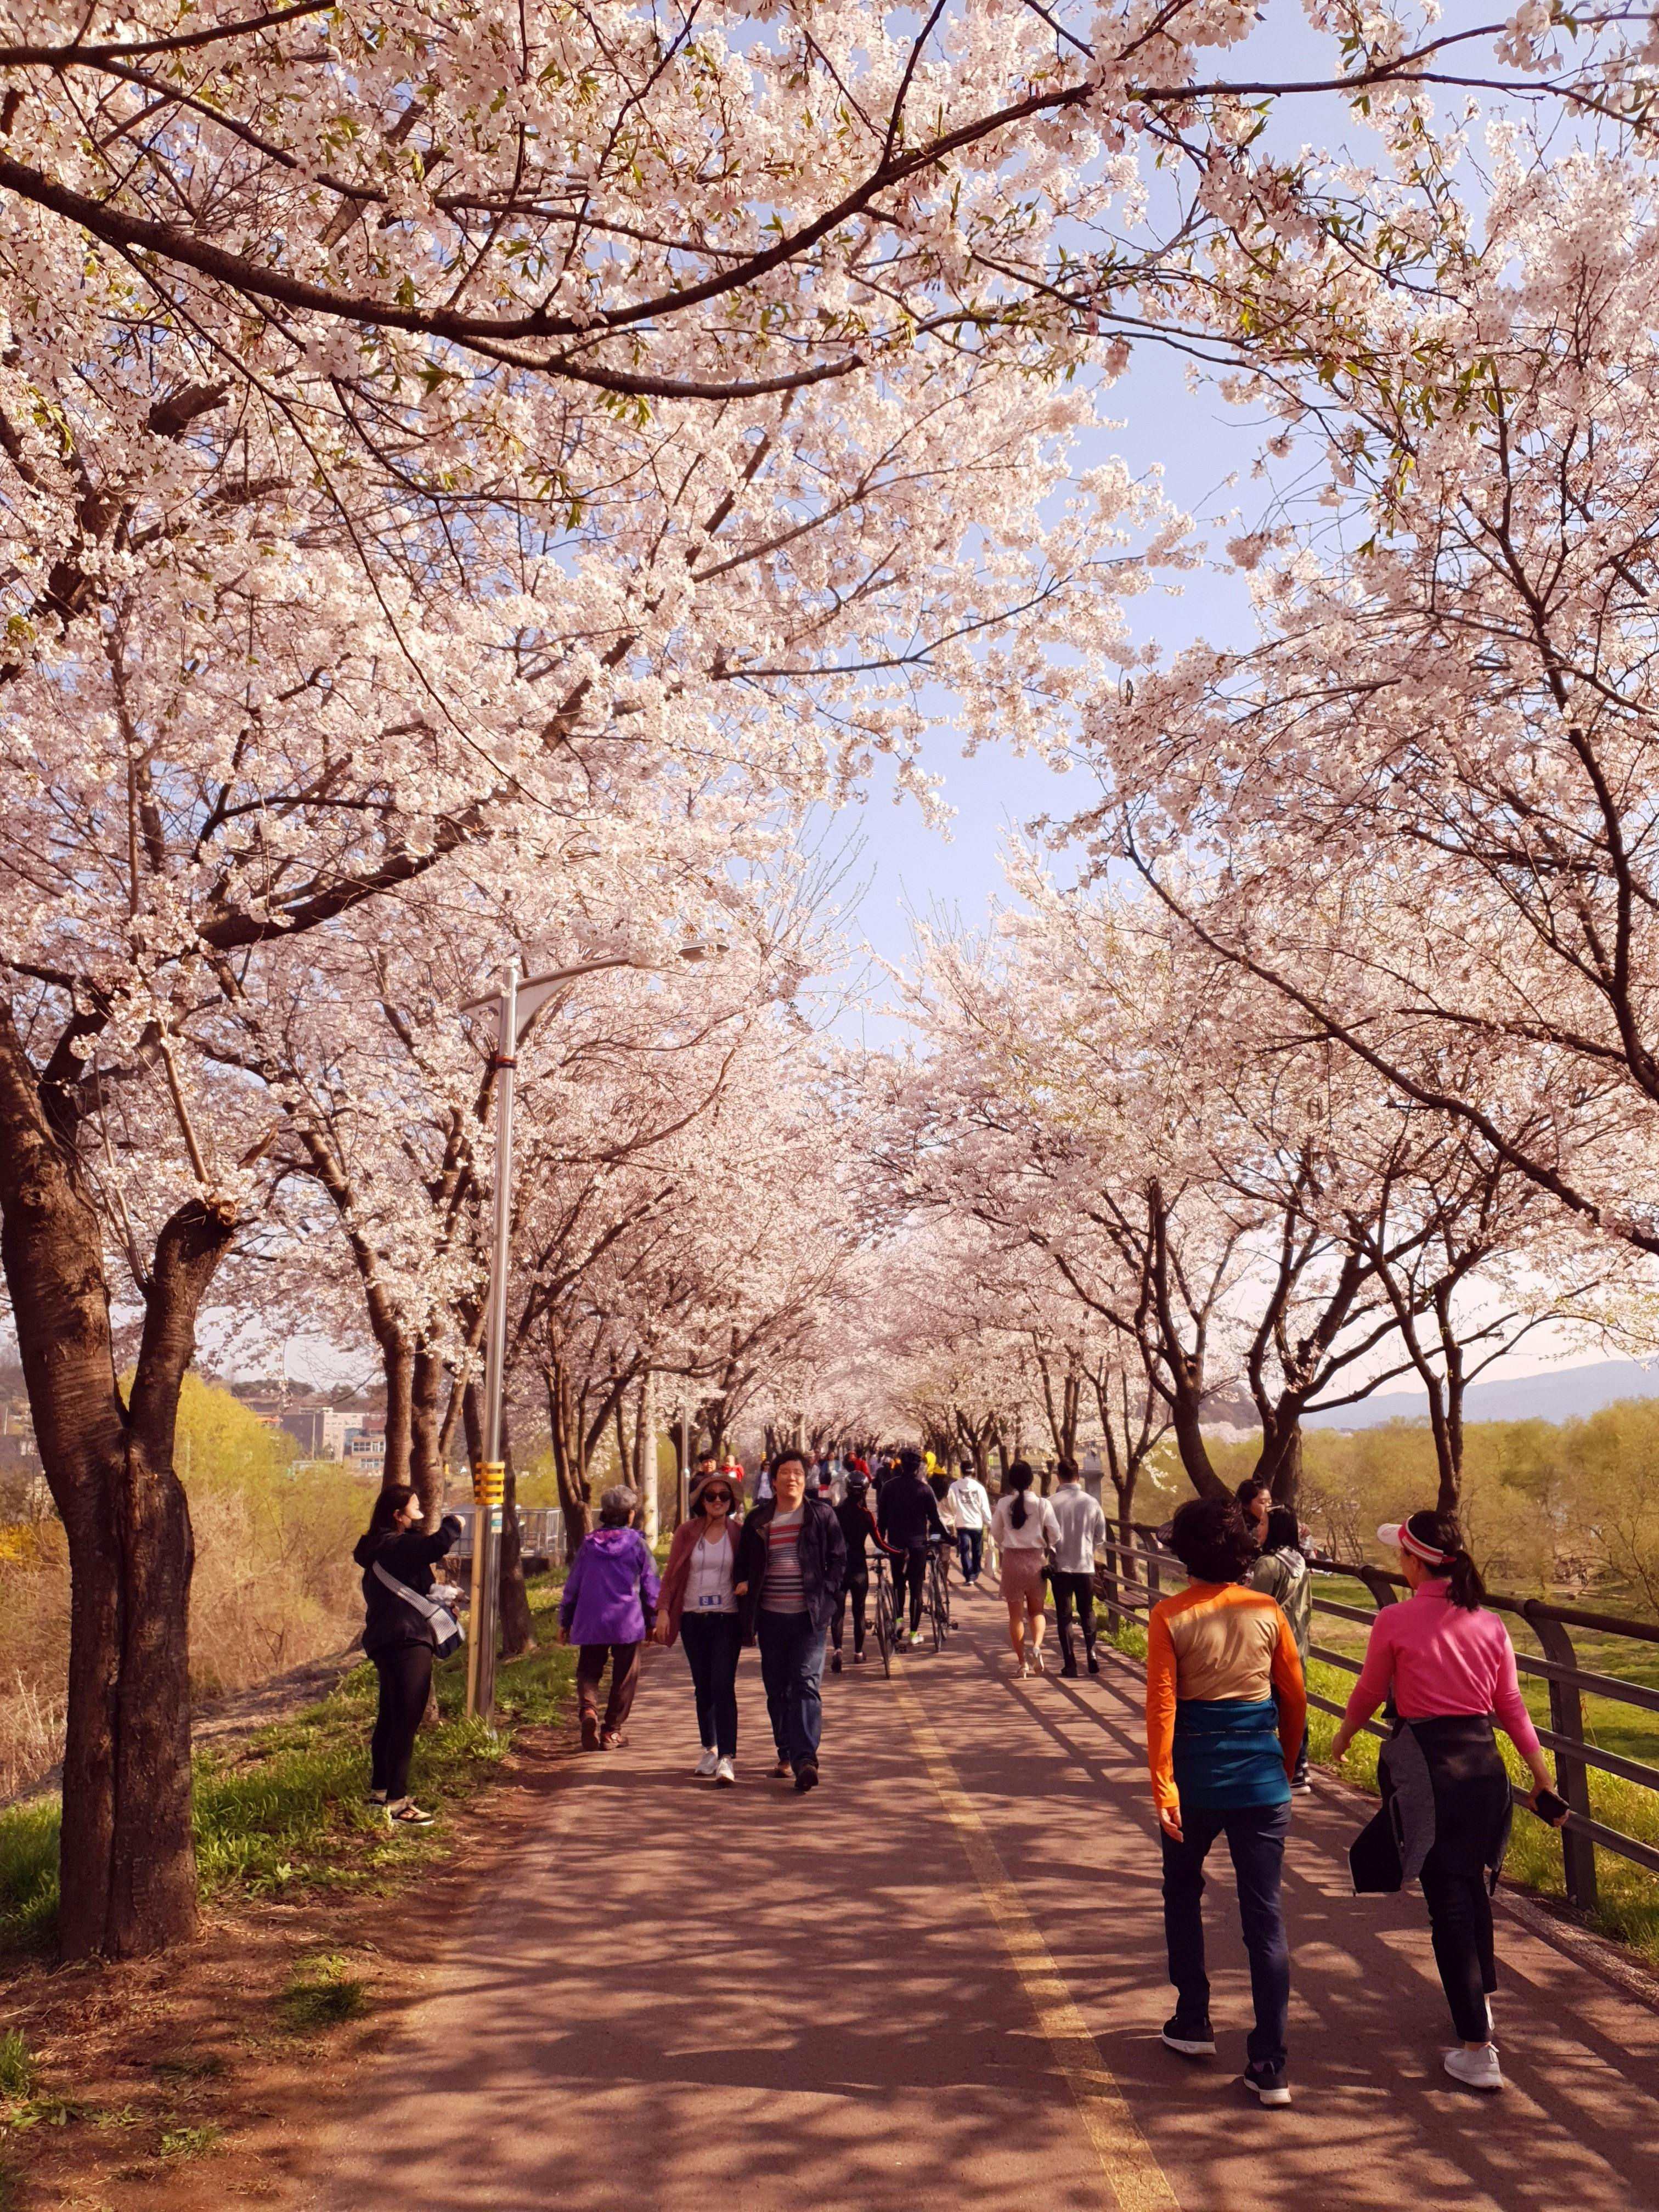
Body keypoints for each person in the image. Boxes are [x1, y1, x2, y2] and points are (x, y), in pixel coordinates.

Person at [1329, 1511, 1567, 2094]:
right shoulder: (1489, 1624)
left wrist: (1341, 1737)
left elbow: (1368, 1691)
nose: (1398, 1565)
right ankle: (1479, 2006)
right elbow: (1511, 1705)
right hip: (1484, 1767)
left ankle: (1477, 2049)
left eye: (1400, 1557)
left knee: (1449, 1903)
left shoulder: (1395, 1618)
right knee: (1471, 1884)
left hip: (1429, 1769)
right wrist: (1541, 1778)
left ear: (1414, 1562)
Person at [1147, 1497, 1306, 2107]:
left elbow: (1162, 1707)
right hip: (1262, 1783)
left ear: (1184, 1552)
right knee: (1264, 1916)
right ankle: (1270, 2063)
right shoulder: (1266, 1611)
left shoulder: (1170, 1616)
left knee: (1183, 1892)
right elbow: (1294, 1701)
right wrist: (1283, 1767)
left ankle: (1194, 2018)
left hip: (1194, 1783)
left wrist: (1164, 1784)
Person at [736, 1449, 847, 1792]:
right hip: (770, 1618)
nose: (792, 1478)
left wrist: (827, 1596)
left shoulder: (821, 1515)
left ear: (806, 1477)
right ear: (774, 1479)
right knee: (777, 1688)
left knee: (805, 1684)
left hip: (810, 1619)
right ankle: (785, 1751)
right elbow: (742, 1565)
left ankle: (805, 1760)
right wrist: (743, 1584)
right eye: (785, 1472)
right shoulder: (758, 1521)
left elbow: (838, 1561)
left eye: (798, 1472)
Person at [354, 1485, 465, 1827]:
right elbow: (435, 1546)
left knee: (389, 1718)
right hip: (408, 1641)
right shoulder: (397, 1545)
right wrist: (455, 1522)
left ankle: (379, 1795)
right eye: (414, 1506)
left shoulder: (378, 1549)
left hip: (385, 1641)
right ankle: (399, 1804)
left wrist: (441, 1595)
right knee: (406, 1722)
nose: (420, 1508)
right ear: (397, 1515)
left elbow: (415, 1585)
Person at [653, 1469, 744, 1783]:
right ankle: (710, 1748)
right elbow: (671, 1575)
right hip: (693, 1619)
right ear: (701, 1501)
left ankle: (727, 1758)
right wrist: (663, 1611)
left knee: (723, 1684)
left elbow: (750, 1571)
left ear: (731, 1501)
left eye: (724, 1496)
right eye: (711, 1496)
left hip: (726, 1618)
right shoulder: (686, 1533)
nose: (717, 1501)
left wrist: (746, 1586)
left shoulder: (738, 1533)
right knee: (703, 1687)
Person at [558, 1486, 661, 1751]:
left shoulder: (589, 1545)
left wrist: (565, 1621)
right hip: (627, 1622)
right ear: (630, 1515)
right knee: (625, 1676)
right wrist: (653, 1621)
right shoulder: (637, 1545)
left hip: (591, 1621)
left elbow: (573, 1585)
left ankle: (589, 1710)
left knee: (589, 1670)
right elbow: (651, 1586)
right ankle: (611, 1732)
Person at [1250, 1506, 1313, 1789]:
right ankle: (1301, 1766)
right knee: (1295, 1703)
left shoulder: (1268, 1564)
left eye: (1263, 1523)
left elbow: (1255, 1608)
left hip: (1273, 1646)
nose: (1258, 1528)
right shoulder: (1299, 1561)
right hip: (1297, 1644)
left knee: (1271, 1704)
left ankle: (1278, 1767)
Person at [990, 1462, 1060, 1677]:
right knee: (1037, 1611)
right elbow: (1056, 1533)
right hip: (1035, 1562)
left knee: (1015, 1617)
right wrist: (1047, 1545)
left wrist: (1006, 1545)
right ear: (1032, 1480)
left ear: (1011, 1481)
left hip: (1012, 1561)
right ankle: (1037, 1646)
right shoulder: (1042, 1504)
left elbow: (995, 1531)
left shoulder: (1003, 1504)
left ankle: (1022, 1664)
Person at [877, 1446, 950, 1647]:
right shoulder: (924, 1490)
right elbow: (935, 1521)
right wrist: (950, 1538)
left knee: (899, 1584)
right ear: (918, 1467)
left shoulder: (889, 1488)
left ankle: (899, 1619)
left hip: (895, 1544)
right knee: (916, 1589)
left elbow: (882, 1520)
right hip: (918, 1545)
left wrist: (880, 1543)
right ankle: (914, 1632)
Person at [831, 1470, 898, 1669]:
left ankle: (838, 1651)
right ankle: (858, 1653)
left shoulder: (836, 1513)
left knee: (838, 1612)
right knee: (859, 1611)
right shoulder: (866, 1516)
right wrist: (897, 1552)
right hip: (858, 1569)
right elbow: (880, 1542)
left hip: (839, 1567)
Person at [1048, 1458, 1108, 1678]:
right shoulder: (1092, 1502)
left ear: (1058, 1477)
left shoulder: (1051, 1502)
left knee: (1064, 1616)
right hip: (1085, 1566)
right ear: (1079, 1477)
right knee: (1087, 1611)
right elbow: (1101, 1536)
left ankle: (1070, 1664)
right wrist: (1088, 1549)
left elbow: (1045, 1536)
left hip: (1061, 1567)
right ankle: (1092, 1655)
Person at [946, 1463, 994, 1585]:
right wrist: (990, 1523)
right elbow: (984, 1507)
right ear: (973, 1472)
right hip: (977, 1524)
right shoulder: (979, 1488)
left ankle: (969, 1576)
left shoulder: (954, 1486)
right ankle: (975, 1572)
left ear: (961, 1472)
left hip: (962, 1524)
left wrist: (954, 1516)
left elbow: (951, 1503)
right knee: (977, 1551)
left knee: (964, 1550)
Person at [1235, 1477, 1273, 1548]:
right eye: (1263, 1502)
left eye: (1270, 1503)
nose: (1268, 1507)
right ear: (1246, 1505)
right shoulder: (1239, 1531)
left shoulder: (1273, 1524)